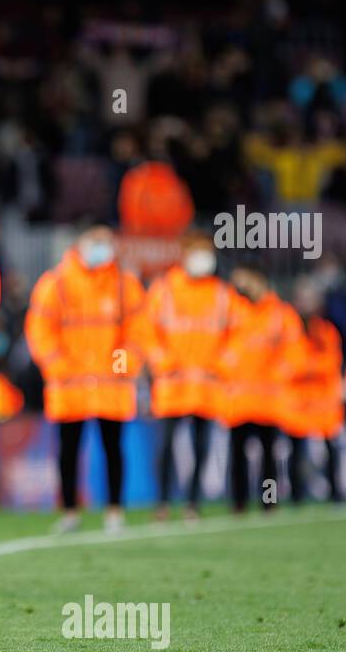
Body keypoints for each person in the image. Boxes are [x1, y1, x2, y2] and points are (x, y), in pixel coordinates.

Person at [27, 226, 146, 533]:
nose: (101, 248)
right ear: (80, 244)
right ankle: (69, 511)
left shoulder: (124, 284)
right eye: (95, 242)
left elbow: (137, 332)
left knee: (113, 447)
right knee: (68, 450)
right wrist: (59, 368)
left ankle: (115, 510)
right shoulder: (56, 284)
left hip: (109, 384)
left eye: (106, 242)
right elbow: (40, 331)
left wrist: (120, 367)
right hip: (71, 383)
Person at [143, 235, 236, 520]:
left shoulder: (222, 293)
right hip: (174, 383)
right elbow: (147, 332)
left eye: (206, 252)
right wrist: (164, 364)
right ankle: (162, 503)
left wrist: (220, 366)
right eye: (198, 251)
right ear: (185, 254)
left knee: (201, 447)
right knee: (167, 446)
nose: (203, 257)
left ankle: (193, 504)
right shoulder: (165, 289)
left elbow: (234, 337)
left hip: (207, 385)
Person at [220, 259, 304, 512]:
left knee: (268, 454)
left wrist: (279, 375)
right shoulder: (234, 310)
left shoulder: (281, 314)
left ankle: (269, 502)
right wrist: (227, 370)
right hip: (238, 397)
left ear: (258, 279)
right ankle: (239, 503)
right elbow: (218, 347)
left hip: (268, 397)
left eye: (244, 278)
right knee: (238, 453)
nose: (239, 285)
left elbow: (296, 352)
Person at [282, 278, 344, 503]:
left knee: (330, 448)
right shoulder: (289, 330)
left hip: (322, 400)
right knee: (295, 450)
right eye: (304, 298)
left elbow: (331, 363)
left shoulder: (327, 332)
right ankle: (296, 495)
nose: (308, 303)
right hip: (297, 400)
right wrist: (309, 368)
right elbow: (289, 365)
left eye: (312, 298)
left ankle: (335, 493)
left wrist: (308, 368)